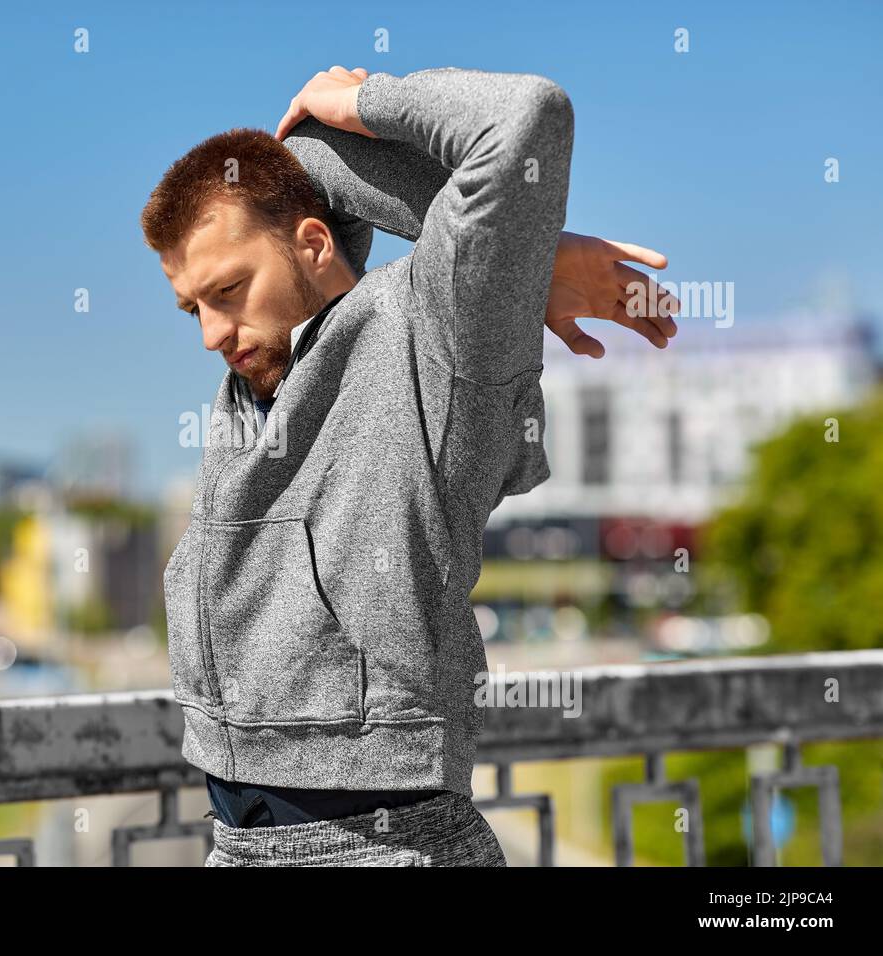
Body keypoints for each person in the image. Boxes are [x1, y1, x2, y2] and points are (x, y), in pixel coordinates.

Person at [139, 64, 678, 866]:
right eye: (194, 308)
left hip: (384, 848)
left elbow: (526, 120)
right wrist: (531, 253)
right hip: (233, 844)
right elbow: (302, 195)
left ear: (314, 246)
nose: (211, 334)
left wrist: (358, 106)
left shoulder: (432, 335)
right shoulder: (260, 373)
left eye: (228, 291)